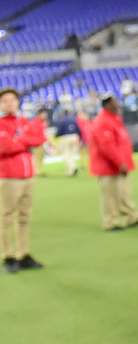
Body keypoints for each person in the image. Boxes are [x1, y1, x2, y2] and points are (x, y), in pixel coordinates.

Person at [0, 88, 48, 273]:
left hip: (27, 176)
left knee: (24, 217)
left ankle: (23, 253)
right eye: (5, 100)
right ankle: (8, 256)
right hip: (9, 177)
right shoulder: (2, 123)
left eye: (12, 99)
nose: (9, 103)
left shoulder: (23, 121)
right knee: (6, 217)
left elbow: (39, 138)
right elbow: (6, 147)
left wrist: (22, 139)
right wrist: (26, 140)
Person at [88, 96, 138, 232]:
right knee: (110, 196)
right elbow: (107, 146)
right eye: (114, 102)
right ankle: (110, 222)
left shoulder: (114, 118)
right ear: (107, 104)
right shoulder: (102, 121)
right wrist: (120, 162)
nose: (117, 104)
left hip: (119, 164)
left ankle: (131, 217)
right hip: (108, 166)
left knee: (124, 192)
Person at [53, 109, 82, 176]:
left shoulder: (62, 120)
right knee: (71, 154)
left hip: (65, 137)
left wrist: (56, 137)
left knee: (66, 154)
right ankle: (70, 170)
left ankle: (72, 167)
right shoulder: (73, 119)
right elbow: (78, 129)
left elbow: (59, 131)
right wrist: (80, 138)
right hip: (74, 137)